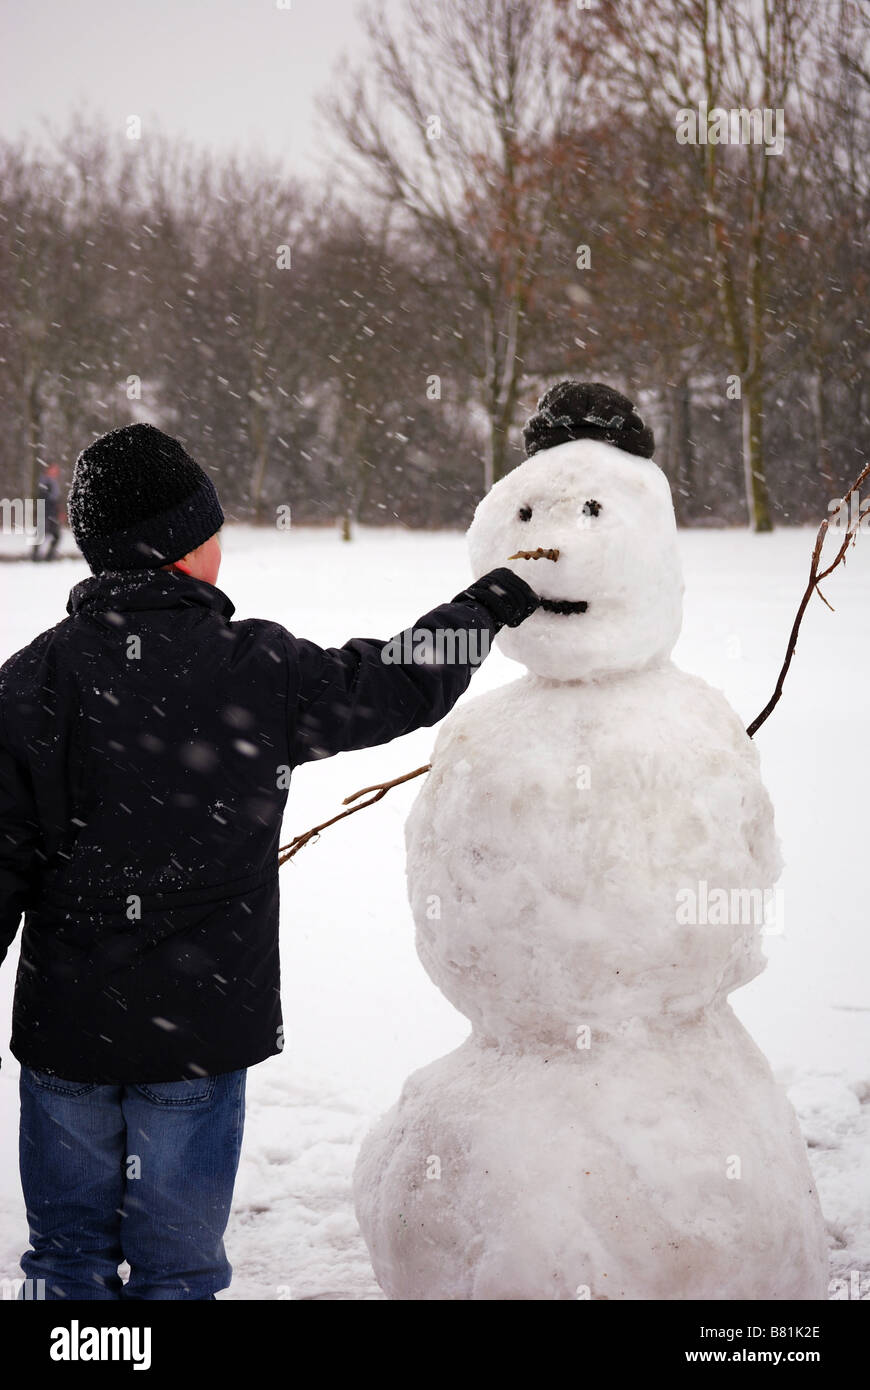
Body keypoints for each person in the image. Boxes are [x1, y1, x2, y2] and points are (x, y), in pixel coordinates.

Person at [0, 422, 540, 1300]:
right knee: (177, 1268)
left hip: (67, 1043)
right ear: (182, 547)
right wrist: (483, 607)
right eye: (211, 528)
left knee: (65, 1259)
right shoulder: (254, 668)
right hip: (197, 1041)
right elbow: (394, 682)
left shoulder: (30, 683)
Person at [31, 464, 62, 561]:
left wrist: (57, 513)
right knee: (42, 535)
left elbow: (55, 501)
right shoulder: (45, 483)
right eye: (54, 470)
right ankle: (36, 557)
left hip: (51, 514)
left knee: (56, 536)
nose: (56, 472)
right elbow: (44, 500)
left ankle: (48, 557)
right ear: (48, 470)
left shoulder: (53, 484)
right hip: (45, 513)